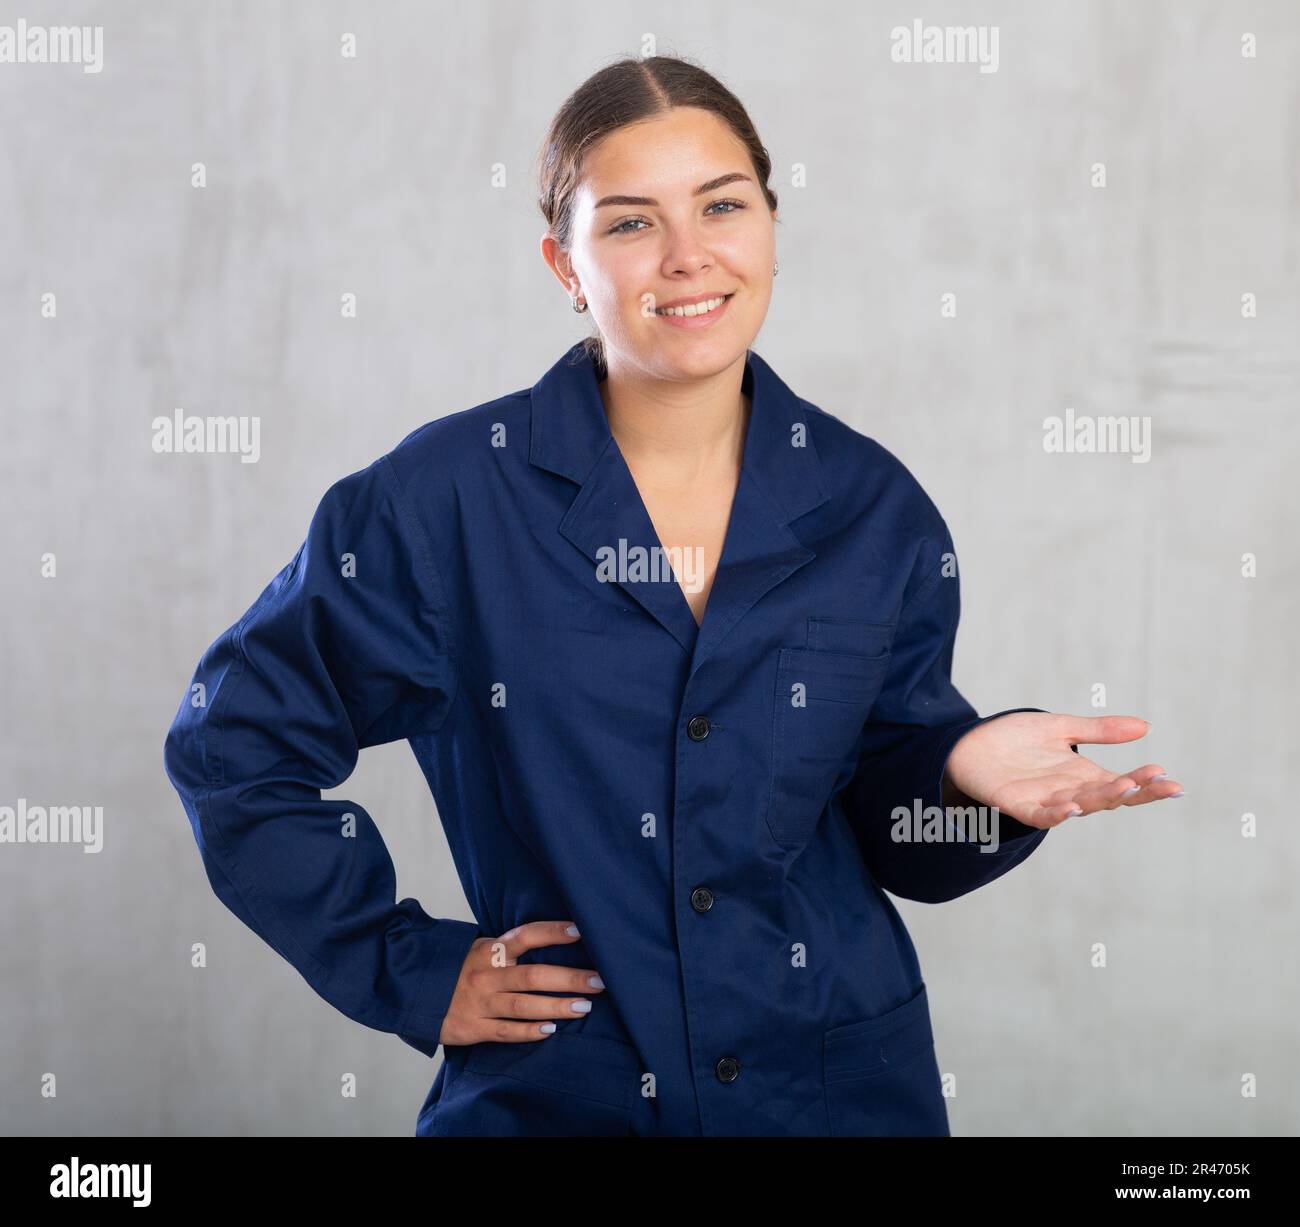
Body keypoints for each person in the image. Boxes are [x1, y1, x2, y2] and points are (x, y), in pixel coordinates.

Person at [163, 54, 1182, 1138]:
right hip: (560, 1099)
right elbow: (235, 745)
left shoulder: (870, 505)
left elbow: (888, 827)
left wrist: (963, 777)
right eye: (631, 223)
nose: (689, 256)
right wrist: (413, 969)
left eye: (722, 205)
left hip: (832, 1093)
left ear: (772, 228)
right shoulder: (442, 503)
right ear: (565, 264)